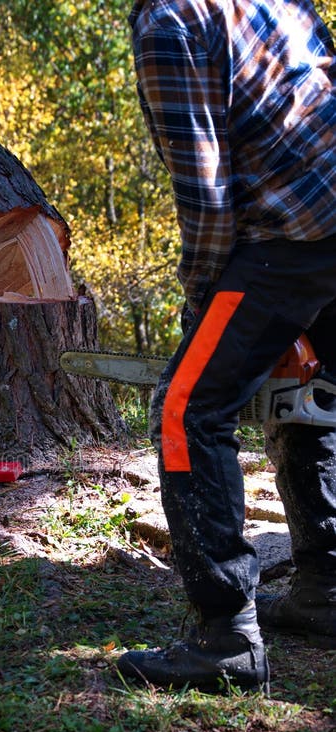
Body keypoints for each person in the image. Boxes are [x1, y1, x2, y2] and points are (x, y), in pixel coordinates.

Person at [117, 0, 336, 693]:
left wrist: (202, 302)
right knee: (310, 384)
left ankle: (225, 640)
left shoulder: (167, 24)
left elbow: (203, 195)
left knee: (186, 407)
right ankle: (324, 591)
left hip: (291, 235)